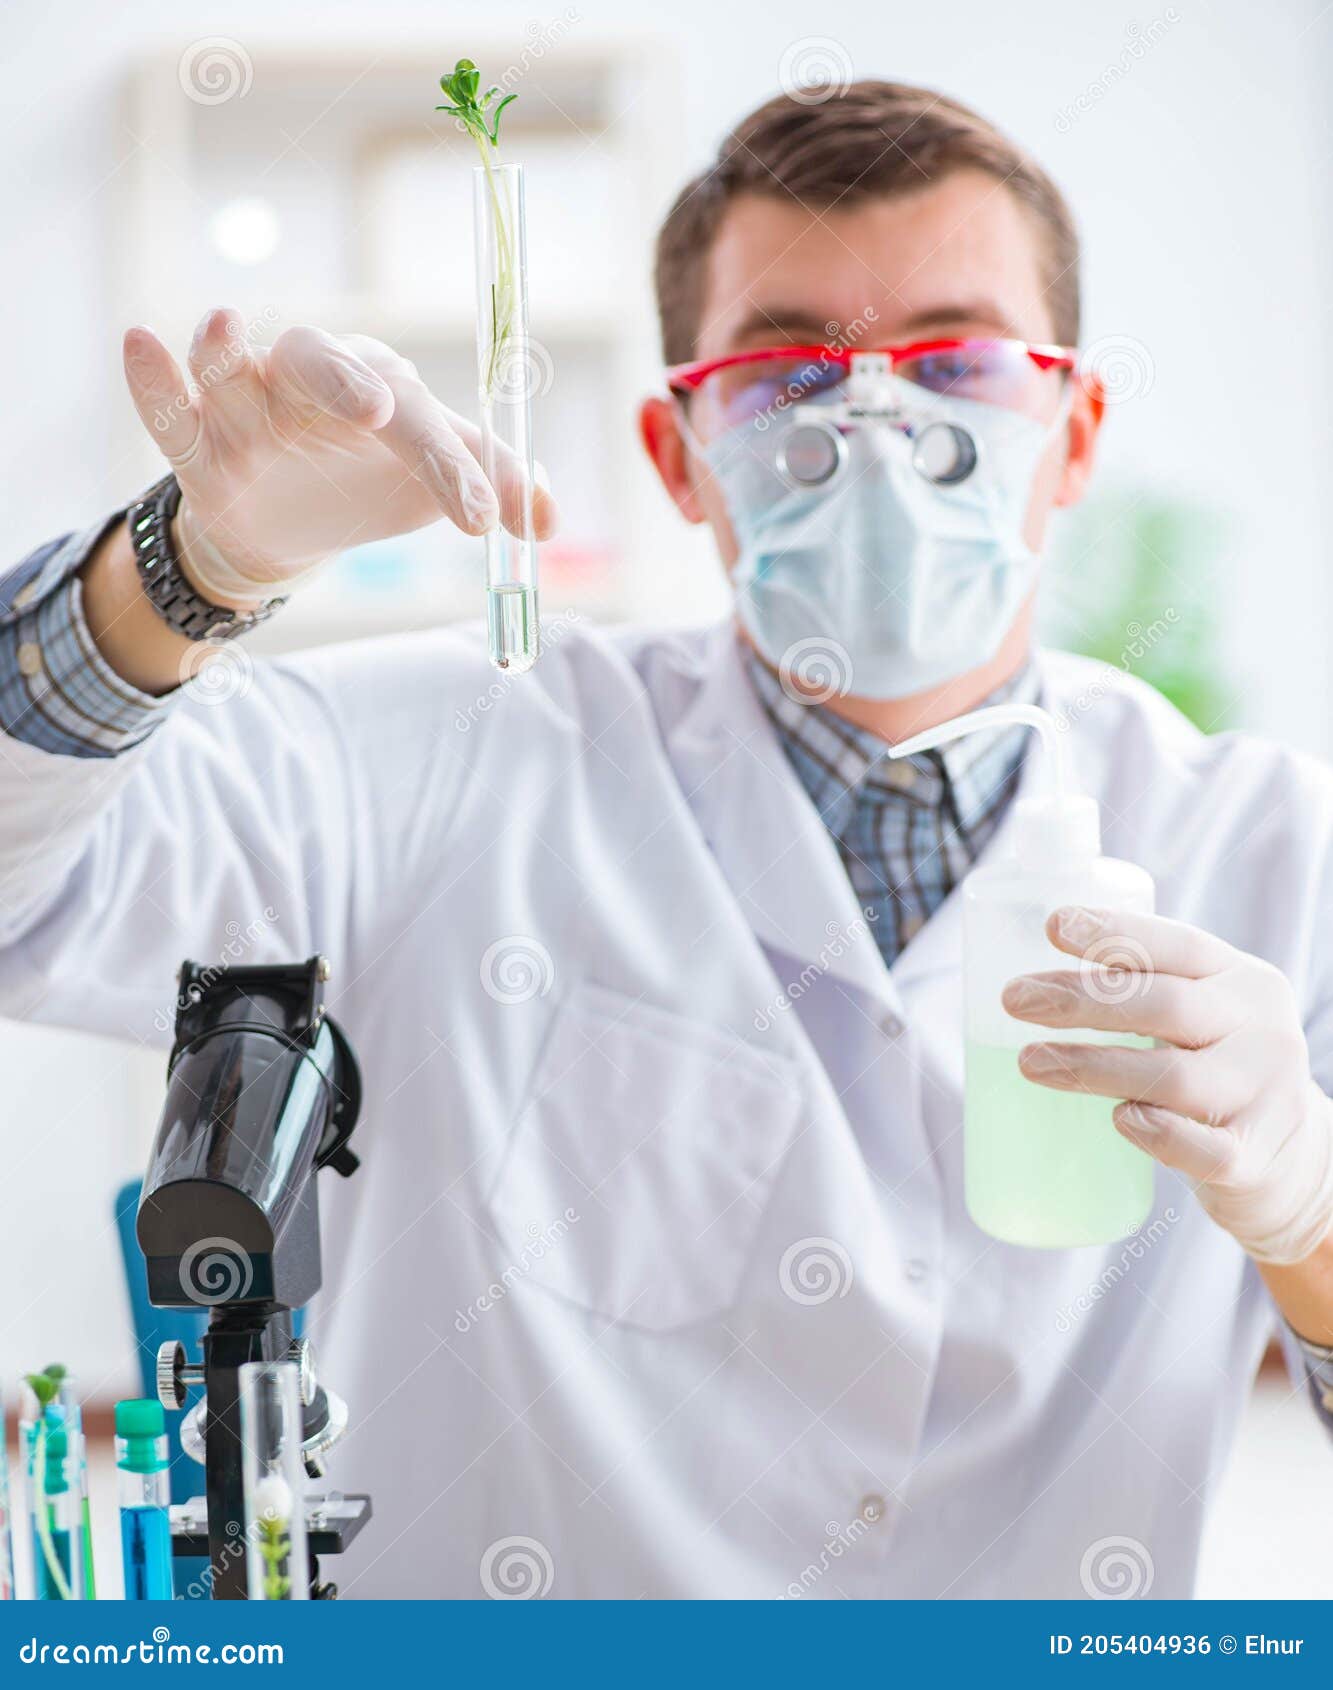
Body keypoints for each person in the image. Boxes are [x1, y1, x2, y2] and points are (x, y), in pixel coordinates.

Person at [2, 80, 1332, 1601]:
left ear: (1073, 425)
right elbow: (21, 890)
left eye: (956, 357)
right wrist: (188, 570)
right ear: (678, 451)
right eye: (785, 370)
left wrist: (1306, 1207)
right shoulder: (447, 750)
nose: (876, 417)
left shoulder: (1274, 849)